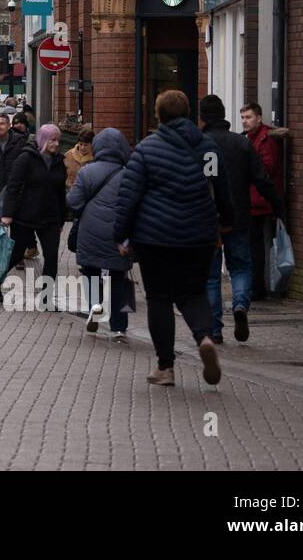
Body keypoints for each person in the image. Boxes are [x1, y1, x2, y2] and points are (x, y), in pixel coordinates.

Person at [113, 90, 233, 387]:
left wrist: (120, 234)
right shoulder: (207, 149)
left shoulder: (146, 150)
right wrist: (227, 223)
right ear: (189, 112)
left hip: (155, 238)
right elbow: (221, 188)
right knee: (194, 293)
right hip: (199, 236)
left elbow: (129, 196)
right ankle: (204, 337)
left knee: (159, 299)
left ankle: (165, 367)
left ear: (159, 115)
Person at [199, 95, 283, 344]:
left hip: (207, 218)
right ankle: (240, 306)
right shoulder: (241, 143)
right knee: (241, 266)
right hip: (238, 215)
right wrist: (277, 205)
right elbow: (261, 178)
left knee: (211, 275)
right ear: (224, 114)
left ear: (203, 116)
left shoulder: (197, 144)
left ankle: (214, 330)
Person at [67, 128, 134, 341]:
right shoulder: (129, 174)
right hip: (119, 234)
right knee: (117, 279)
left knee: (90, 271)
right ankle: (118, 328)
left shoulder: (87, 171)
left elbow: (73, 201)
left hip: (90, 231)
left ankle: (95, 306)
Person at [0, 124, 67, 304]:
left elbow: (60, 192)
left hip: (50, 218)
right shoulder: (26, 158)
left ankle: (46, 298)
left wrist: (62, 218)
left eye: (58, 140)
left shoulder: (59, 161)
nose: (56, 144)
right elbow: (13, 187)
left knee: (51, 257)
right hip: (25, 217)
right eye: (52, 140)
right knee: (16, 255)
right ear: (43, 140)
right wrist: (7, 214)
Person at [240, 102, 284, 301]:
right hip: (253, 200)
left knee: (256, 248)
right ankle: (255, 286)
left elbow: (268, 168)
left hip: (259, 202)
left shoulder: (265, 140)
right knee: (253, 247)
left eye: (248, 117)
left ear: (259, 118)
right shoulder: (249, 138)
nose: (245, 121)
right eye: (242, 118)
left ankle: (257, 288)